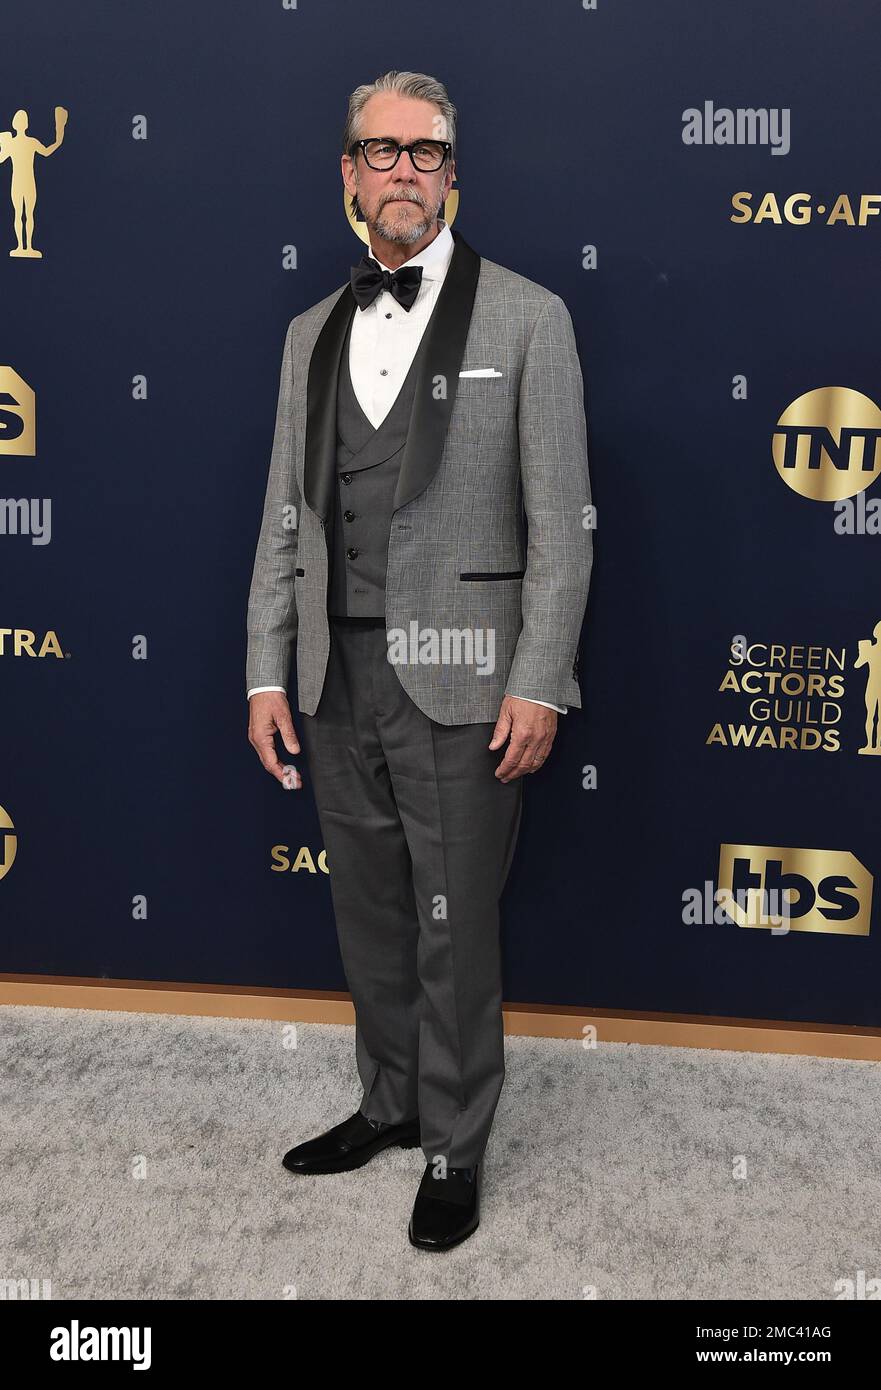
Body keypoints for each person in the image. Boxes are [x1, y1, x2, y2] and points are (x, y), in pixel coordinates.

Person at [246, 69, 593, 1251]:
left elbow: (563, 523)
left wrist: (538, 676)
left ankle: (454, 1141)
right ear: (348, 173)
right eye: (381, 151)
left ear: (454, 174)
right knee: (369, 910)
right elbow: (283, 522)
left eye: (426, 152)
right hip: (334, 683)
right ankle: (388, 1103)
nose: (404, 170)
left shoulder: (528, 317)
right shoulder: (306, 334)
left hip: (466, 677)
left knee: (454, 923)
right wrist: (264, 671)